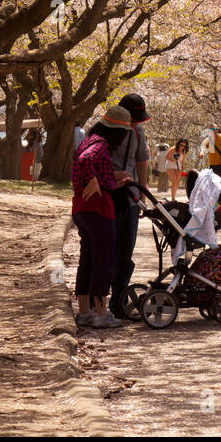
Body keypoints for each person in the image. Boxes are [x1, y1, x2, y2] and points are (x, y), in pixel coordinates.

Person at [72, 108, 132, 329]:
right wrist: (94, 181)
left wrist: (111, 177)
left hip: (81, 208)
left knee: (87, 259)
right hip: (98, 209)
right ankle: (101, 312)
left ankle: (84, 311)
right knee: (103, 260)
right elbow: (86, 161)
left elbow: (87, 162)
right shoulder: (101, 145)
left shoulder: (89, 140)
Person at [108, 94, 151, 318]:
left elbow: (142, 161)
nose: (135, 123)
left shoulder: (138, 131)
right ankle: (99, 301)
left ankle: (118, 300)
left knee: (125, 252)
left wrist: (143, 193)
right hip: (108, 196)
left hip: (131, 197)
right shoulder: (105, 129)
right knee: (108, 249)